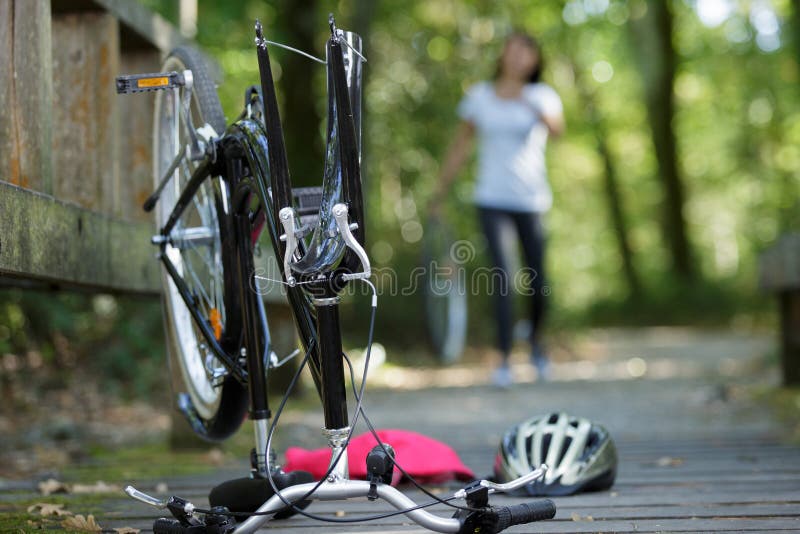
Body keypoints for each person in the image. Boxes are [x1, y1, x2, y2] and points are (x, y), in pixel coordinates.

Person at [431, 31, 564, 387]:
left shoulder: (542, 95)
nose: (518, 57)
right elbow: (461, 145)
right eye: (513, 50)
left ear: (534, 60)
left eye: (526, 52)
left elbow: (558, 132)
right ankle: (504, 358)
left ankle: (535, 342)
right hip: (491, 199)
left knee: (538, 279)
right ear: (502, 55)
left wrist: (530, 104)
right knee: (503, 275)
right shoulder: (480, 97)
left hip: (532, 200)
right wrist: (440, 191)